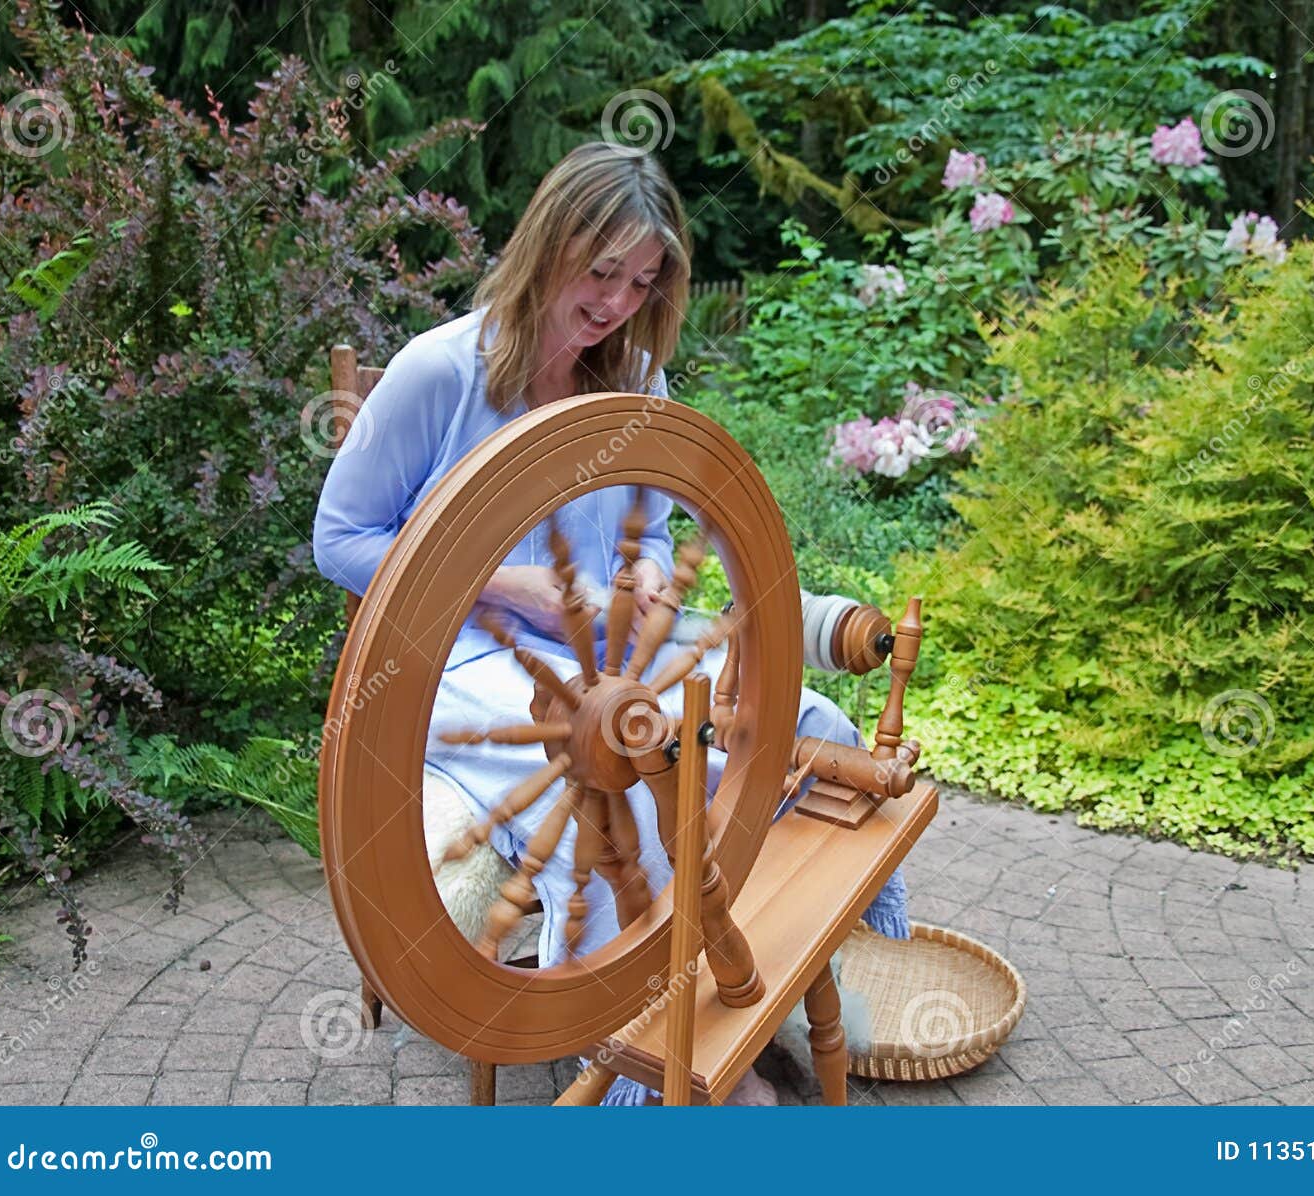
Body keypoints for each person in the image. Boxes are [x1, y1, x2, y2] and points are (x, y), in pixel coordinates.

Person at [312, 141, 908, 1104]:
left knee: (809, 730)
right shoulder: (438, 373)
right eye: (601, 272)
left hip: (612, 650)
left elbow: (653, 524)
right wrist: (507, 587)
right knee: (618, 769)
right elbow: (339, 539)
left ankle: (760, 987)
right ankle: (642, 1060)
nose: (618, 303)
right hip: (458, 662)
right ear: (548, 245)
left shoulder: (632, 376)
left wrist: (649, 575)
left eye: (642, 283)